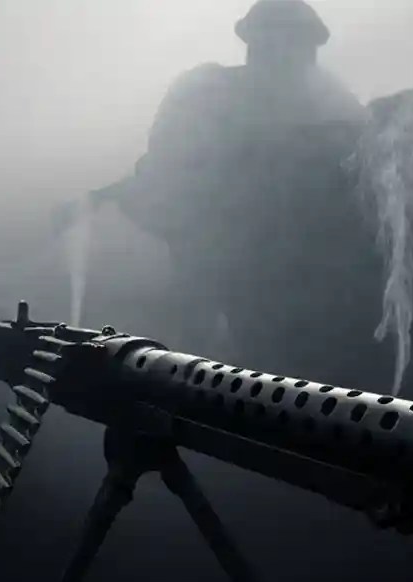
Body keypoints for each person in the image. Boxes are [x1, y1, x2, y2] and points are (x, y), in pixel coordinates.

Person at [99, 0, 386, 387]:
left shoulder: (329, 100)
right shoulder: (207, 91)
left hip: (300, 276)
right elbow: (169, 170)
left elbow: (364, 163)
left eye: (299, 48)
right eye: (278, 43)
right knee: (199, 366)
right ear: (255, 43)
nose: (289, 57)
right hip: (219, 259)